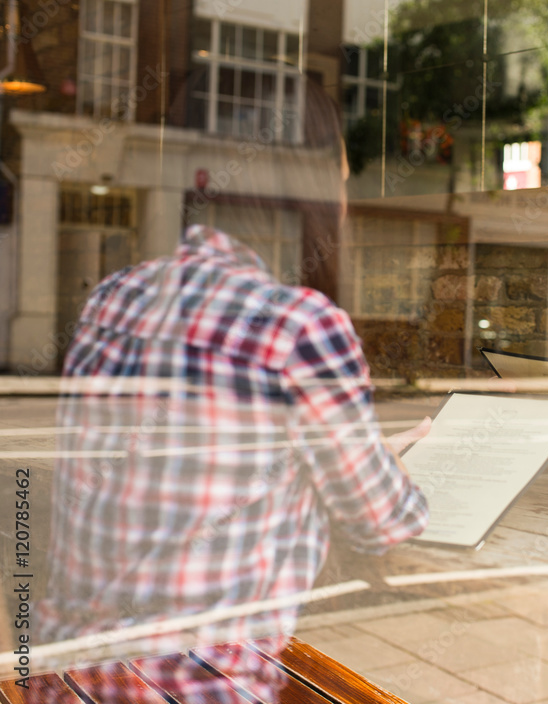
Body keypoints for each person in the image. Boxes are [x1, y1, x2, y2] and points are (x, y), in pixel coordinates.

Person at [33, 94, 429, 699]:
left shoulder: (113, 296)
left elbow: (168, 474)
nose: (347, 207)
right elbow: (383, 522)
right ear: (309, 194)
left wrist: (330, 457)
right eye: (341, 182)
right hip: (193, 688)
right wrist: (381, 465)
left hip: (63, 681)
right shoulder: (298, 324)